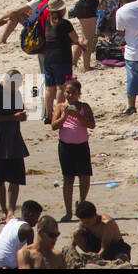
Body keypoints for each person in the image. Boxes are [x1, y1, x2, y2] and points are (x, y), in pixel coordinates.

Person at [0, 70, 30, 223]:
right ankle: (5, 211)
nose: (16, 88)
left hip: (14, 140)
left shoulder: (16, 92)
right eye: (14, 85)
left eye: (18, 85)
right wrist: (14, 117)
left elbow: (20, 111)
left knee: (15, 178)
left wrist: (21, 116)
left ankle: (11, 210)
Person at [53, 78, 94, 220]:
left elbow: (91, 125)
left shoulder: (84, 107)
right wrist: (65, 116)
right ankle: (68, 211)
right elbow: (53, 126)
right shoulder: (60, 107)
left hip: (82, 146)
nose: (70, 95)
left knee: (85, 177)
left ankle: (82, 204)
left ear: (79, 94)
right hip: (65, 146)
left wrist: (78, 116)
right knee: (68, 178)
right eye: (68, 92)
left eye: (73, 93)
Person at [0, 200, 43, 269]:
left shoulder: (12, 221)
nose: (37, 221)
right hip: (6, 261)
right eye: (37, 217)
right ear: (30, 215)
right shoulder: (28, 229)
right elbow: (31, 253)